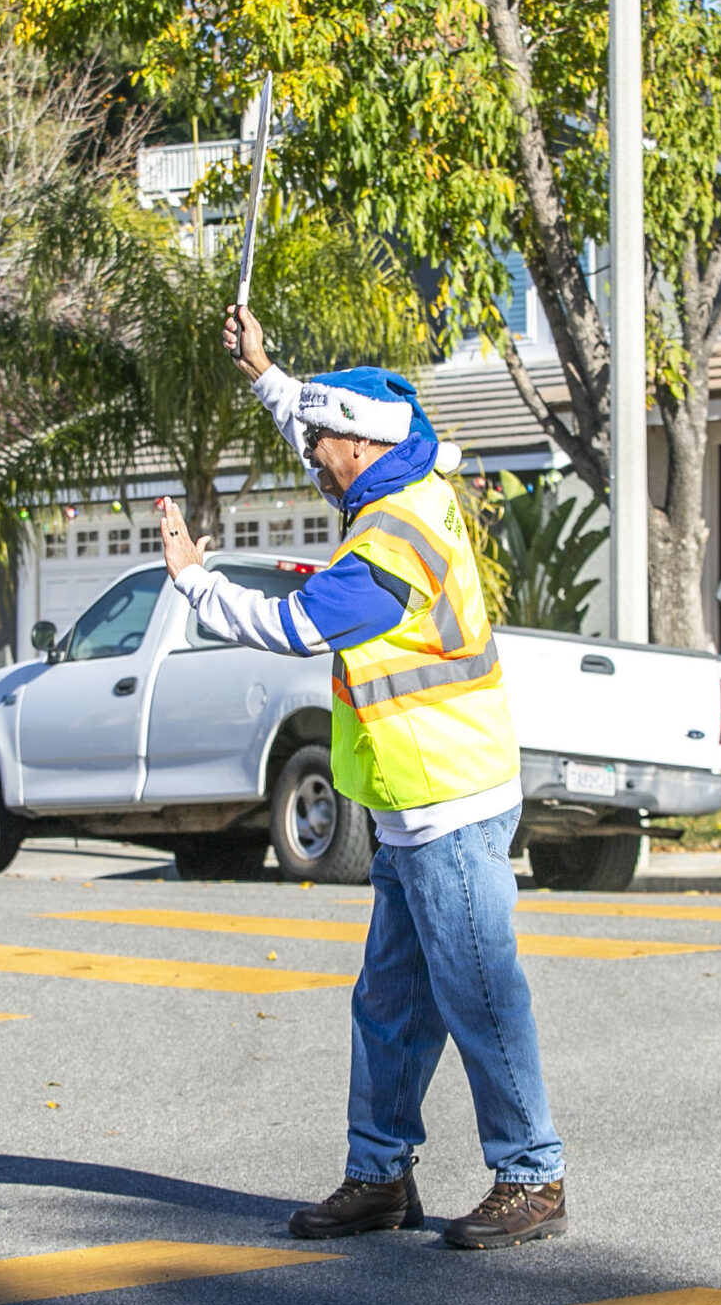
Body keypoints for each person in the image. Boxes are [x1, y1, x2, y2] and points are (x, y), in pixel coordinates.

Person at [157, 304, 565, 1250]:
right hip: (408, 802)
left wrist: (192, 583)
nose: (310, 448)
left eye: (320, 438)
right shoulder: (390, 480)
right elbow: (314, 418)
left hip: (447, 800)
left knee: (481, 997)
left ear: (357, 448)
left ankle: (533, 1173)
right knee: (390, 1000)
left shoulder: (392, 540)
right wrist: (265, 369)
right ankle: (380, 1174)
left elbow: (297, 625)